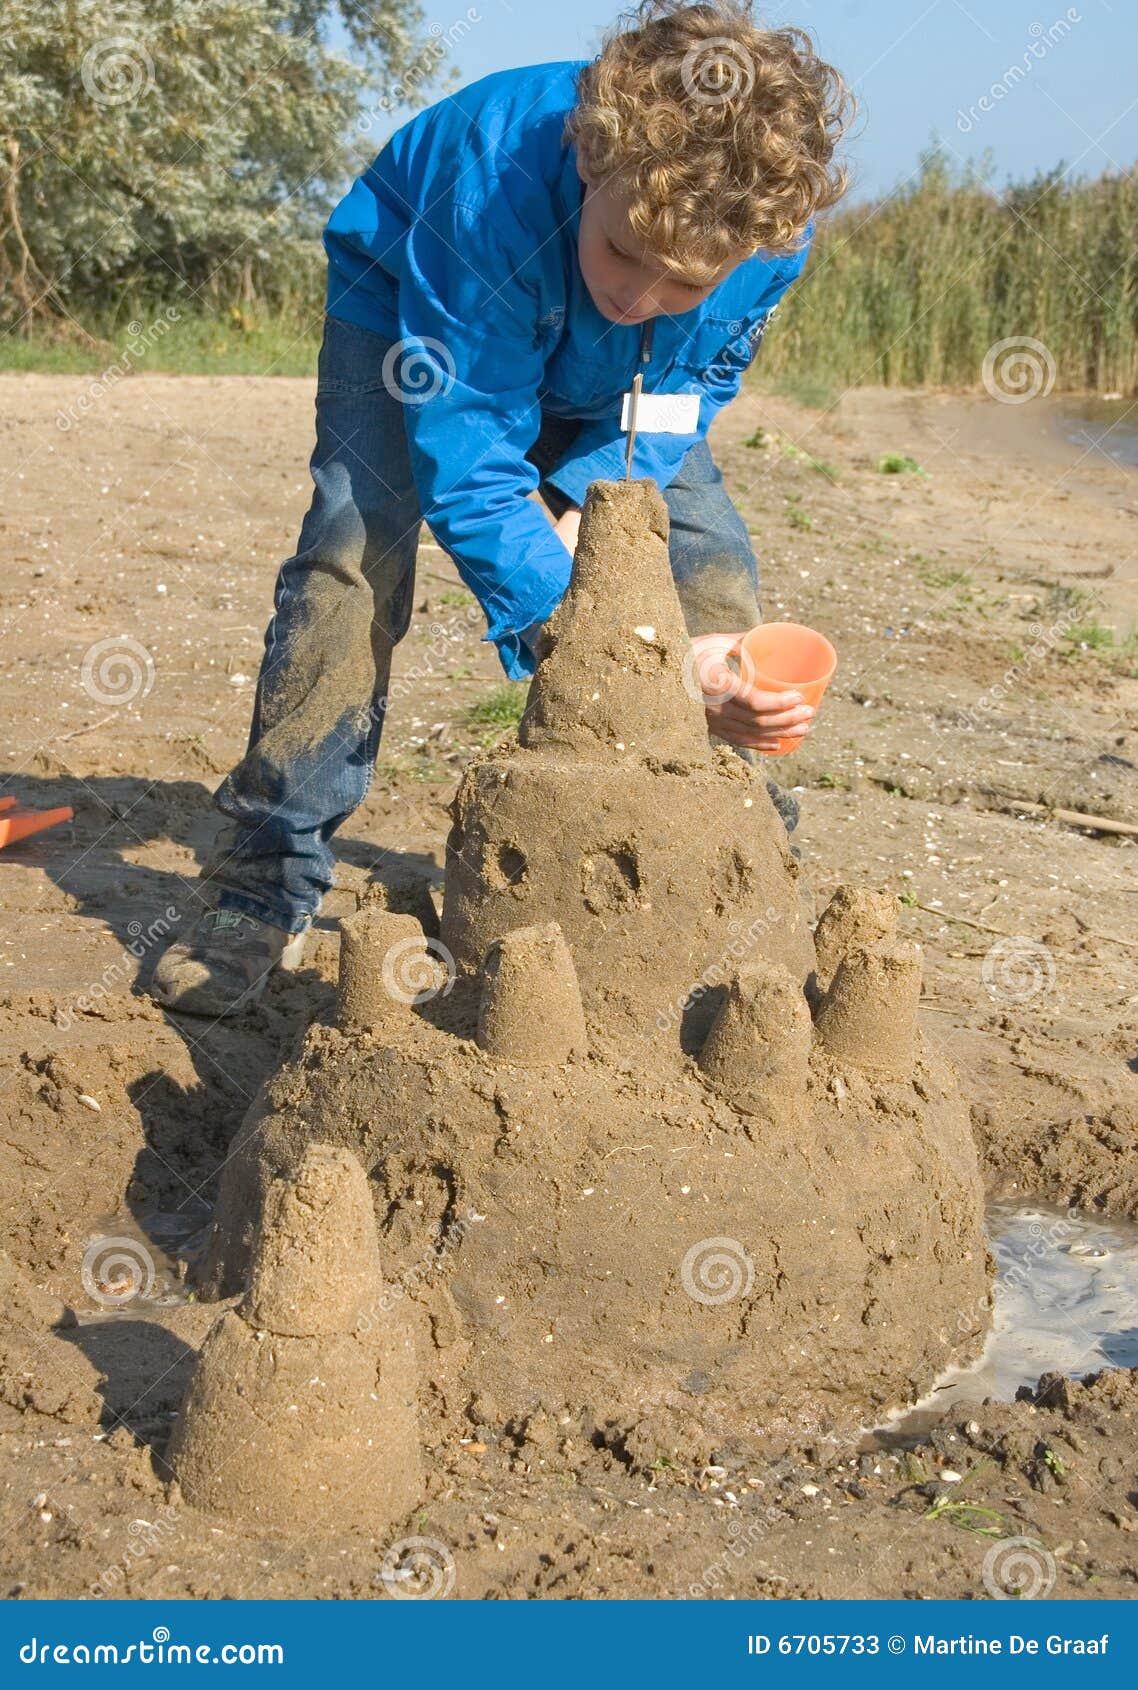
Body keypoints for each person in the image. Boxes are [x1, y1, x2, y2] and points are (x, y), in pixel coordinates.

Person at [152, 0, 851, 1016]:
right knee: (355, 550)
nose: (641, 295)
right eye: (623, 253)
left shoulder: (764, 238)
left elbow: (686, 388)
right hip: (413, 305)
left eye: (684, 282)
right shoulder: (487, 189)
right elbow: (470, 453)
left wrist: (580, 503)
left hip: (618, 389)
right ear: (589, 159)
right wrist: (612, 647)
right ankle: (261, 878)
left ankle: (736, 862)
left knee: (705, 566)